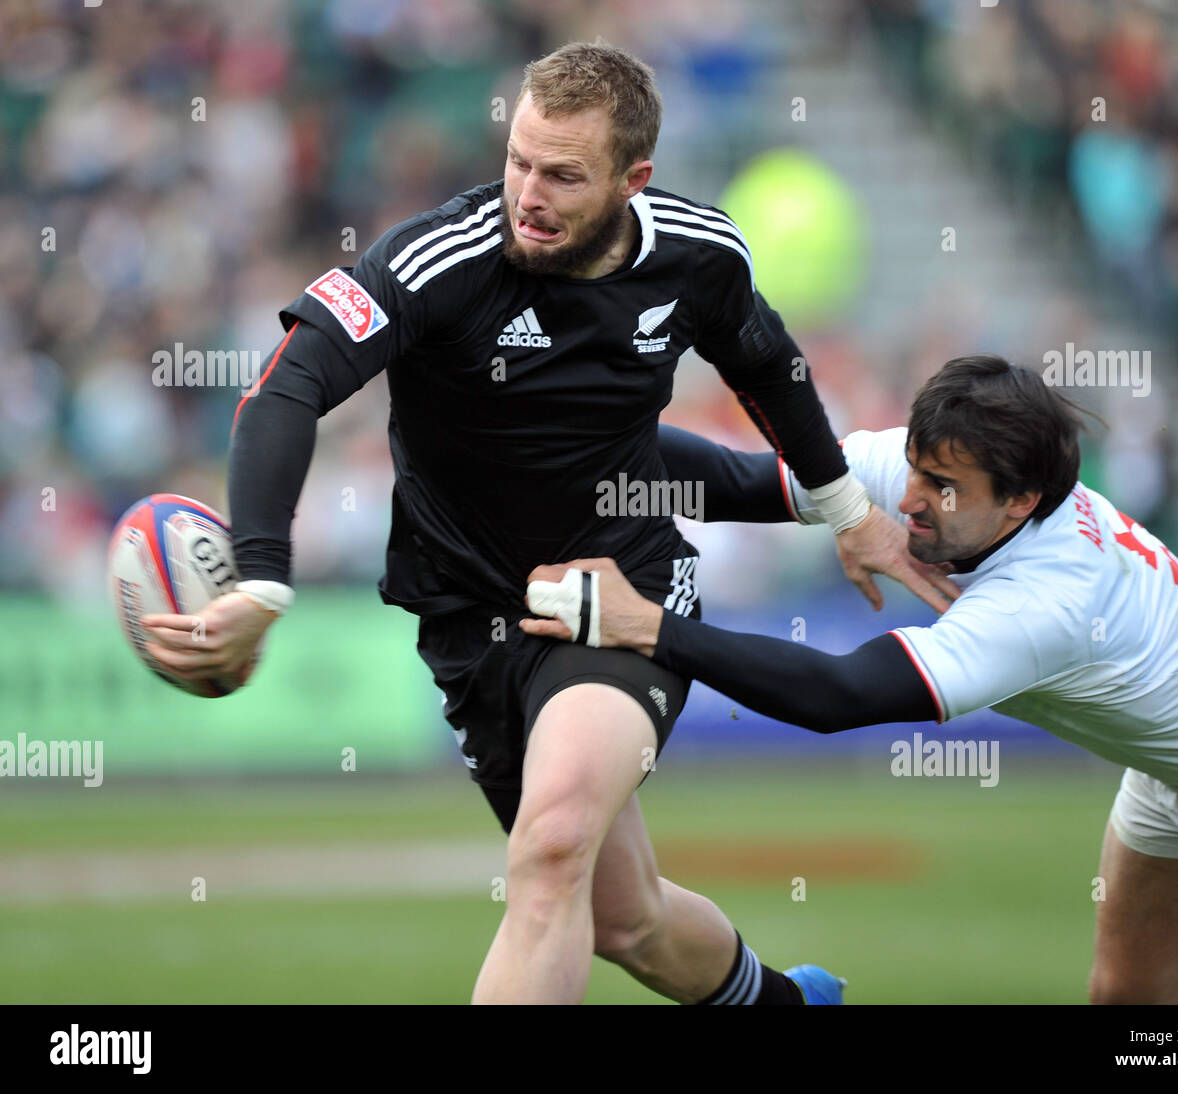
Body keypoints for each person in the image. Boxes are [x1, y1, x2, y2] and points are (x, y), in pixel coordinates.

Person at [137, 40, 959, 1005]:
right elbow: (288, 388)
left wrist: (843, 508)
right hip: (470, 622)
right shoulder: (438, 260)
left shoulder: (699, 255)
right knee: (626, 920)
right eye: (518, 160)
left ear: (631, 179)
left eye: (563, 174)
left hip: (621, 593)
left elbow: (768, 364)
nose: (527, 193)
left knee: (553, 845)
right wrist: (263, 576)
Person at [523, 354, 1178, 1005]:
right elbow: (733, 481)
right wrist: (563, 429)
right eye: (918, 471)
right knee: (1128, 999)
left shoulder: (1048, 602)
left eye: (942, 490)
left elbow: (838, 696)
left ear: (1022, 502)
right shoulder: (948, 459)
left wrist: (649, 626)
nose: (908, 502)